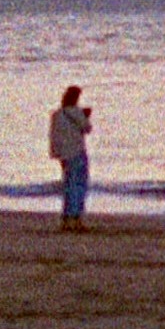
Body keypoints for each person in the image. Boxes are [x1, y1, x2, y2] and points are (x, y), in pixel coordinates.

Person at [48, 82, 92, 226]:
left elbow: (53, 136)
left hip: (64, 154)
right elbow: (87, 128)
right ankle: (76, 217)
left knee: (68, 186)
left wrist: (56, 154)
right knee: (79, 185)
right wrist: (86, 116)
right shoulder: (77, 112)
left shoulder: (57, 114)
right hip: (77, 152)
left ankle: (67, 217)